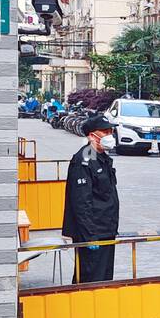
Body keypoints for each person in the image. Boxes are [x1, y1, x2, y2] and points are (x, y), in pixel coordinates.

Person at [62, 113, 120, 283]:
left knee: (104, 278)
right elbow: (81, 203)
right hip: (93, 233)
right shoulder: (83, 160)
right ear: (91, 135)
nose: (110, 135)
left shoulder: (102, 157)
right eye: (105, 131)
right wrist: (90, 236)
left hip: (106, 230)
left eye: (111, 131)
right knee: (89, 279)